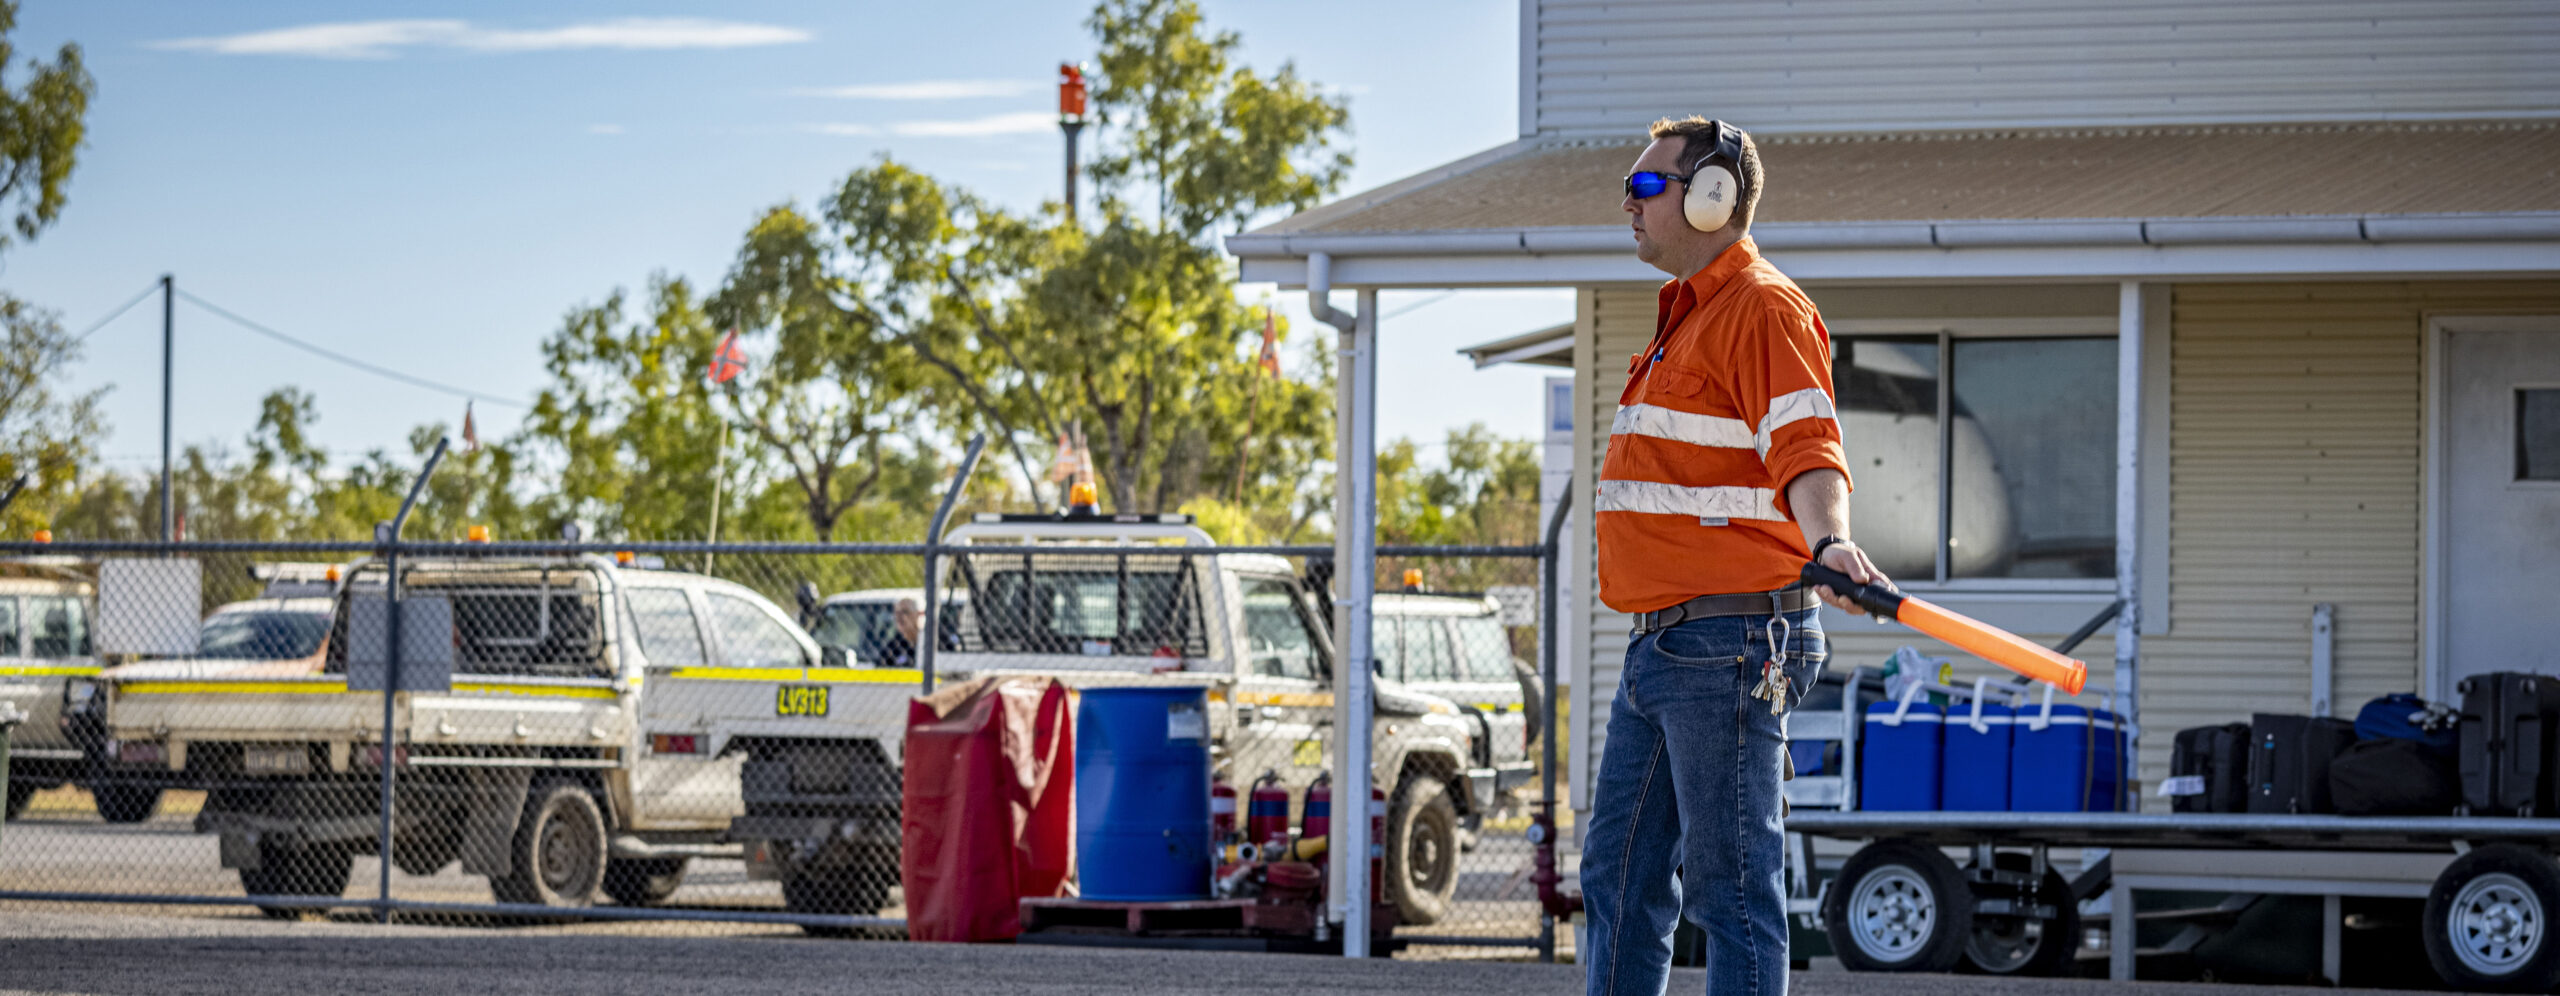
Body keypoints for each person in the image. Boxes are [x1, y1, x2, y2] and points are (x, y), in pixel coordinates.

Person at [1579, 117, 1890, 996]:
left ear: (1713, 198)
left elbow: (1808, 450)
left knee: (1732, 891)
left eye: (1647, 186)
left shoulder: (1762, 308)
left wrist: (1830, 540)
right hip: (1664, 645)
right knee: (1618, 879)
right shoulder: (1686, 320)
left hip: (1732, 643)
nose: (1630, 204)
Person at [876, 598, 922, 668]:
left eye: (905, 612)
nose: (899, 616)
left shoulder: (928, 642)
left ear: (917, 614)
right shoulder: (893, 646)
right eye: (897, 612)